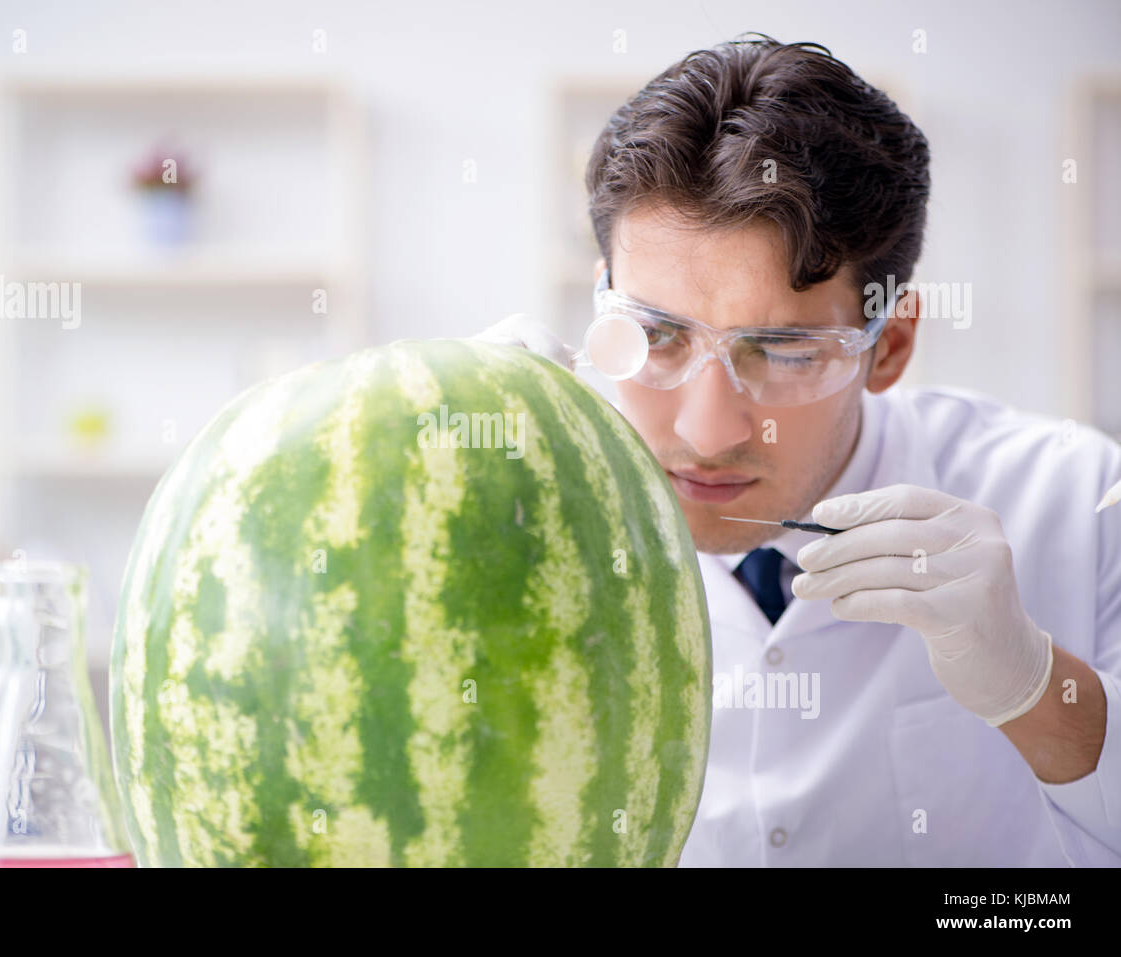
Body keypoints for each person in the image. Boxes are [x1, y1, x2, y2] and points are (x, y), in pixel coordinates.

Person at [478, 33, 1121, 866]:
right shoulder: (528, 505)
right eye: (656, 334)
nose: (707, 432)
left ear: (888, 346)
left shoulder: (1075, 499)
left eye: (782, 351)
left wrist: (1035, 687)